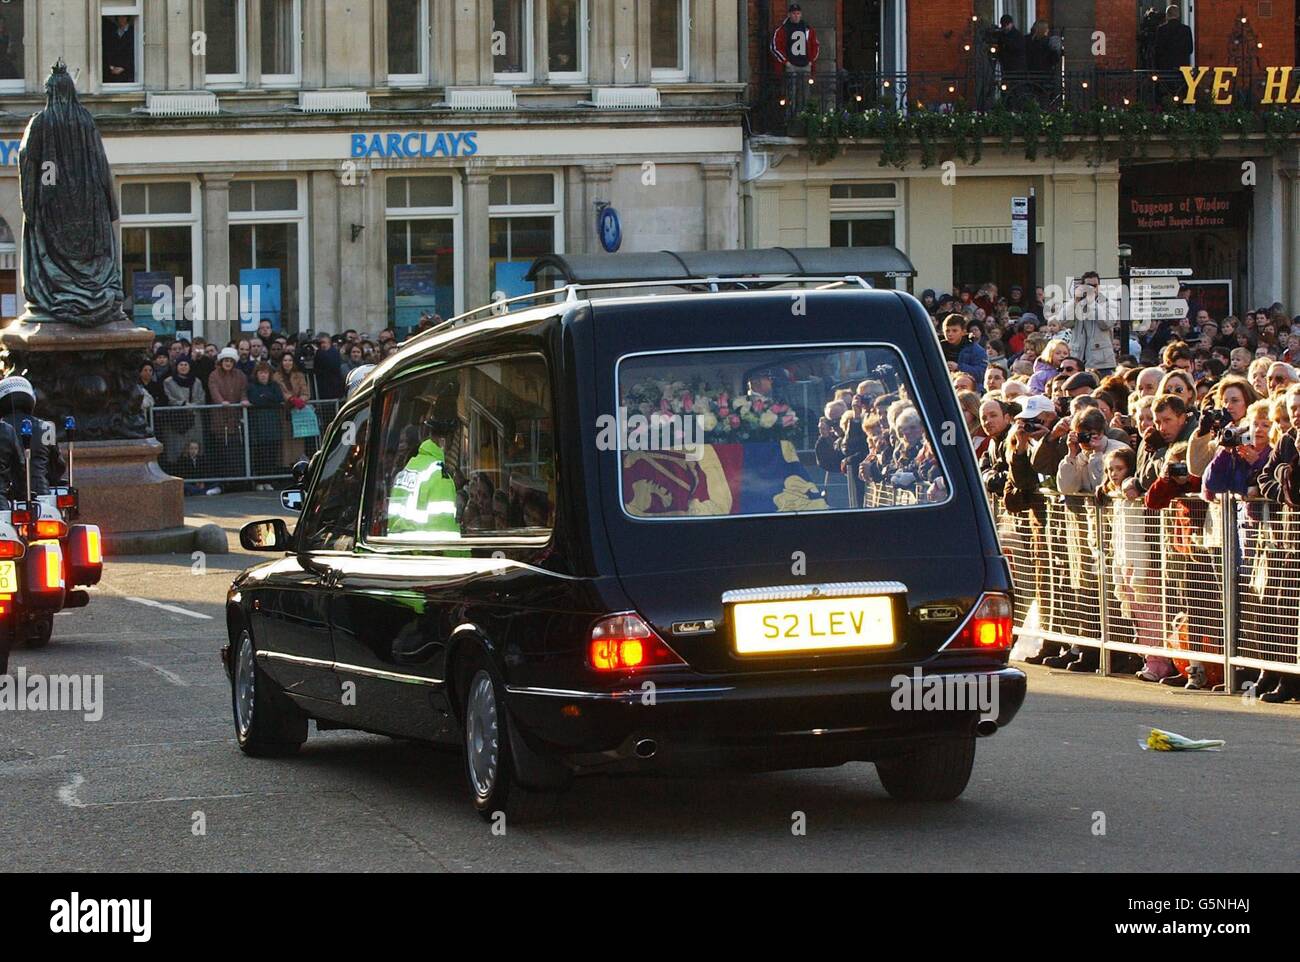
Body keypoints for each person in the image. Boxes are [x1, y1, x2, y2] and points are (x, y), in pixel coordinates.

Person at [386, 416, 461, 538]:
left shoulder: (410, 467)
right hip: (423, 553)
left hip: (397, 550)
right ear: (444, 441)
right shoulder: (440, 477)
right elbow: (445, 536)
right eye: (452, 442)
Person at [0, 375, 65, 497]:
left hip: (7, 496)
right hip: (42, 494)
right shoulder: (47, 427)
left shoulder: (3, 429)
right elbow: (57, 467)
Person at [770, 3, 819, 111]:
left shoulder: (807, 29)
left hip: (805, 65)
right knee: (790, 93)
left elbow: (815, 45)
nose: (796, 16)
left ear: (801, 14)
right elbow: (775, 47)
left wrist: (811, 61)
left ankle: (804, 114)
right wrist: (786, 62)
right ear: (789, 15)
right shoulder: (783, 29)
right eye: (793, 14)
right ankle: (791, 116)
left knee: (805, 93)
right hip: (791, 65)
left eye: (798, 13)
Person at [246, 362, 285, 487]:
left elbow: (279, 399)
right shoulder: (252, 386)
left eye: (266, 373)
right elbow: (255, 400)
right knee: (260, 454)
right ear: (256, 374)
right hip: (258, 426)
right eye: (260, 373)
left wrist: (265, 397)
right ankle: (260, 481)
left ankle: (269, 480)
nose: (263, 376)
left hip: (273, 425)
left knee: (271, 453)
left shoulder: (274, 385)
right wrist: (268, 398)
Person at [939, 312, 988, 384]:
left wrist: (959, 367)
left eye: (954, 331)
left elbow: (981, 374)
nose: (950, 334)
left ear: (963, 332)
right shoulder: (938, 348)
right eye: (947, 330)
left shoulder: (977, 350)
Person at [1154, 4, 1194, 73]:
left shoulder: (1161, 29)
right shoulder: (1186, 29)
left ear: (1167, 15)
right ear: (1178, 15)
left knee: (1166, 83)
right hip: (1183, 67)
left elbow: (1158, 49)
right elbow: (1190, 49)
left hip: (1165, 67)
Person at [102, 15, 136, 84]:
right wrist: (110, 66)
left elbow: (135, 53)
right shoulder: (113, 32)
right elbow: (108, 51)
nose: (122, 19)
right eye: (119, 17)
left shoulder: (134, 32)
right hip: (113, 73)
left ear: (127, 18)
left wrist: (124, 67)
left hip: (128, 74)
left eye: (124, 17)